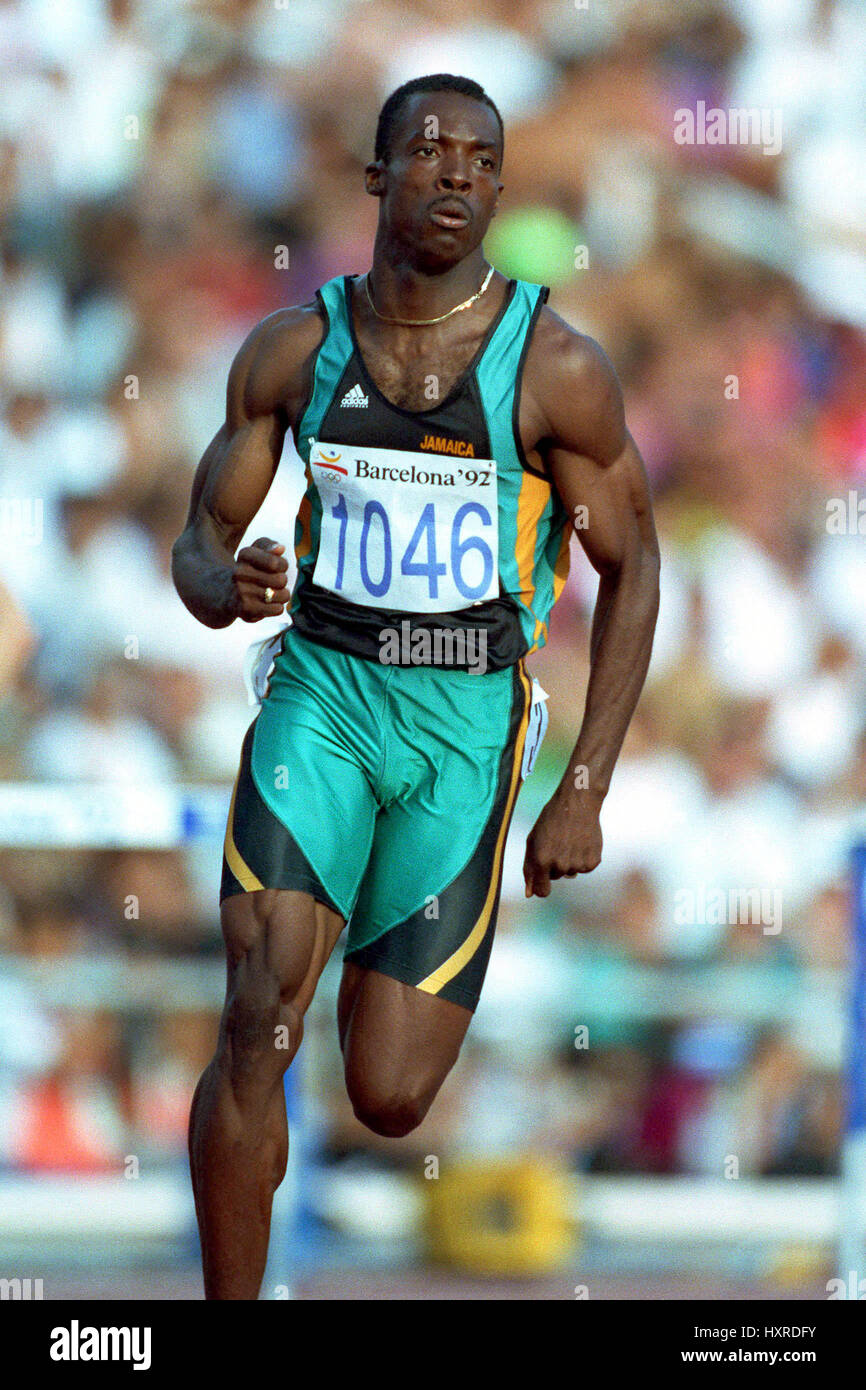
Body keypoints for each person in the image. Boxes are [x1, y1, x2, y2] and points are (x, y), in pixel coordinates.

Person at [172, 73, 660, 1299]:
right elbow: (195, 541)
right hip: (325, 693)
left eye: (480, 159)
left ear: (498, 188)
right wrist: (222, 584)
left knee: (389, 1093)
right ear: (376, 175)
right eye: (429, 151)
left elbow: (633, 566)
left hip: (466, 722)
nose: (455, 173)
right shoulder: (292, 349)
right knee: (254, 1012)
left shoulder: (554, 366)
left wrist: (582, 788)